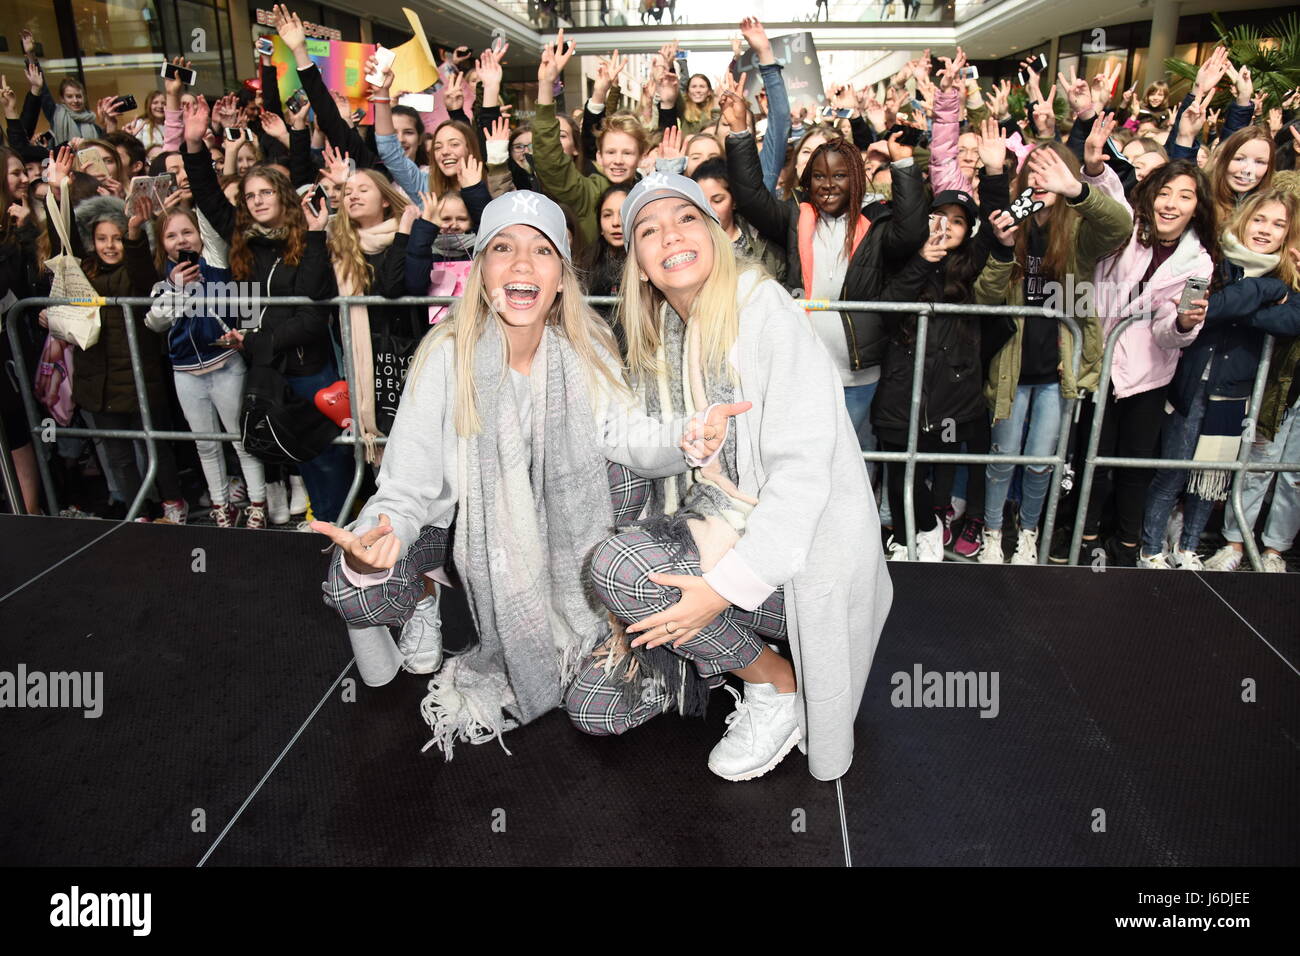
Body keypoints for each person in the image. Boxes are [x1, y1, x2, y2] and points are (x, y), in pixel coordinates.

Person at [315, 191, 742, 753]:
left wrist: (689, 436)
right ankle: (418, 591)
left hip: (564, 546)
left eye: (541, 251)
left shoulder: (587, 348)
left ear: (561, 276)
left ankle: (615, 643)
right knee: (358, 592)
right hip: (457, 531)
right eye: (502, 248)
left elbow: (631, 438)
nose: (521, 264)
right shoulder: (446, 354)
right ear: (481, 268)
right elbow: (406, 484)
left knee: (596, 707)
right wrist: (374, 543)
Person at [567, 174, 893, 783]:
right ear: (636, 262)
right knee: (594, 703)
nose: (669, 235)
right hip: (722, 529)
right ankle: (712, 651)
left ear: (716, 234)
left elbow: (802, 475)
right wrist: (684, 438)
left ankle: (778, 685)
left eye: (686, 218)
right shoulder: (662, 333)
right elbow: (624, 438)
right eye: (648, 228)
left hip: (799, 559)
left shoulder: (764, 309)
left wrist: (723, 589)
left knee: (622, 570)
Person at [181, 94, 350, 523]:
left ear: (284, 196)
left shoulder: (308, 238)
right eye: (251, 194)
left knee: (328, 453)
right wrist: (194, 144)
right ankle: (324, 521)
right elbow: (206, 195)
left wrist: (314, 237)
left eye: (266, 192)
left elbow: (313, 314)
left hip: (310, 366)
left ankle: (339, 523)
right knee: (295, 450)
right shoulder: (246, 242)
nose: (256, 200)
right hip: (271, 369)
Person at [974, 139, 1132, 565]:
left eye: (1052, 172)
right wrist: (1003, 249)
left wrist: (1077, 191)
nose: (1042, 181)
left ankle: (1028, 533)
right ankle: (992, 533)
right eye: (1035, 172)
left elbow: (1121, 226)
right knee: (1002, 458)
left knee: (1043, 461)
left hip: (1059, 365)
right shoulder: (1009, 223)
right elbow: (985, 297)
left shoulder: (1078, 227)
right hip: (1012, 363)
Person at [1139, 190, 1300, 567]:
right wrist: (1259, 297)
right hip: (1188, 385)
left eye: (1279, 225)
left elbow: (1292, 321)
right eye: (1260, 219)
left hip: (1233, 393)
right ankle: (1151, 550)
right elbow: (1192, 307)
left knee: (1210, 481)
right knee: (1172, 474)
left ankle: (1188, 548)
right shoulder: (1211, 258)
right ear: (1244, 219)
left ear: (1287, 235)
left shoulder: (1284, 279)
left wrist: (1241, 303)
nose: (1265, 230)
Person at [1080, 159, 1217, 566]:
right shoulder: (1127, 233)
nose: (1172, 203)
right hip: (1099, 364)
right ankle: (1084, 539)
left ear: (1197, 207)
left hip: (1148, 374)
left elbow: (1171, 333)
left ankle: (1126, 546)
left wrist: (1183, 321)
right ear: (1152, 195)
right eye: (1165, 192)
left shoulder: (1200, 264)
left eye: (1185, 195)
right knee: (1091, 461)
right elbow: (1106, 200)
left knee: (1134, 468)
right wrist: (1093, 168)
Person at [144, 205, 268, 528]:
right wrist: (176, 289)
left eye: (187, 232)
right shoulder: (164, 283)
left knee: (240, 440)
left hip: (226, 365)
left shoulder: (215, 262)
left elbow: (212, 225)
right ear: (162, 244)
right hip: (186, 374)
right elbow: (155, 322)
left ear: (200, 235)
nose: (180, 241)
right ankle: (222, 507)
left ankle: (257, 504)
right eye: (171, 235)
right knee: (205, 444)